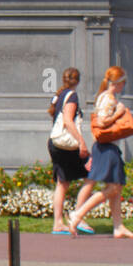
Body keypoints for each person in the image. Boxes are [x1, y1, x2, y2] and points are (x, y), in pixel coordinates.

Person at [68, 65, 133, 238]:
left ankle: (118, 226)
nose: (124, 86)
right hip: (107, 148)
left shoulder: (103, 97)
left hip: (105, 147)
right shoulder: (108, 99)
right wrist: (119, 113)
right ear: (118, 82)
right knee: (114, 187)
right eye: (124, 82)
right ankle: (78, 214)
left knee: (116, 187)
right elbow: (101, 122)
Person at [47, 68, 95, 235]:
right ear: (78, 81)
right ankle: (77, 216)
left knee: (62, 183)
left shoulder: (60, 95)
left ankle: (59, 222)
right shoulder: (72, 96)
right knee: (91, 174)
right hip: (67, 145)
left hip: (56, 144)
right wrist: (82, 142)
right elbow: (68, 121)